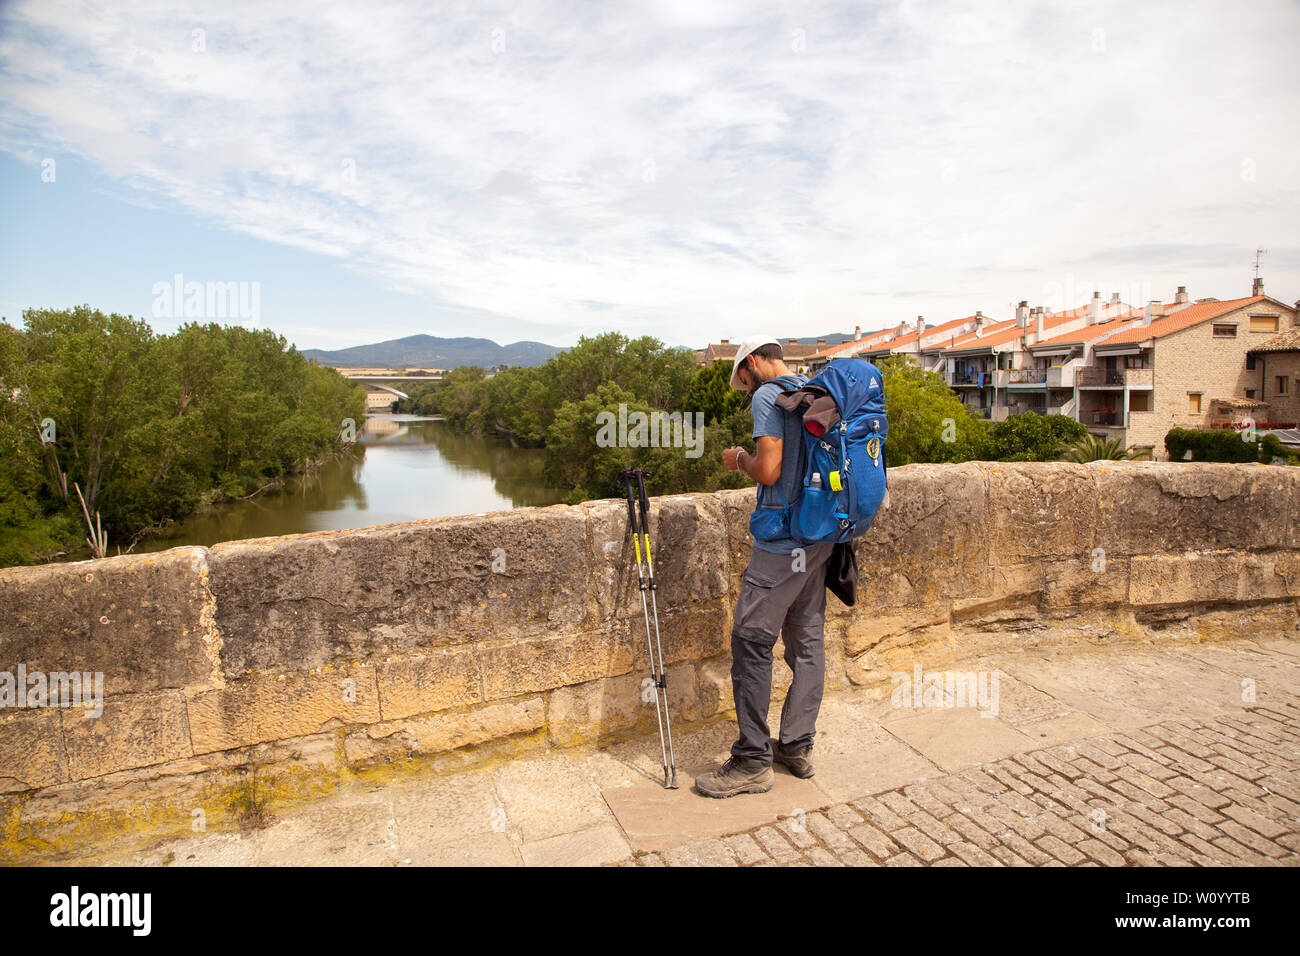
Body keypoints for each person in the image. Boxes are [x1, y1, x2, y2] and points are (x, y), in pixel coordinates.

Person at [695, 335, 836, 798]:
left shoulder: (767, 395)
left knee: (751, 641)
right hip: (821, 535)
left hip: (781, 543)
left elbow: (770, 470)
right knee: (808, 643)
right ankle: (796, 746)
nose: (744, 388)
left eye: (741, 379)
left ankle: (753, 759)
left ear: (752, 363)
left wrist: (739, 459)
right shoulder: (818, 391)